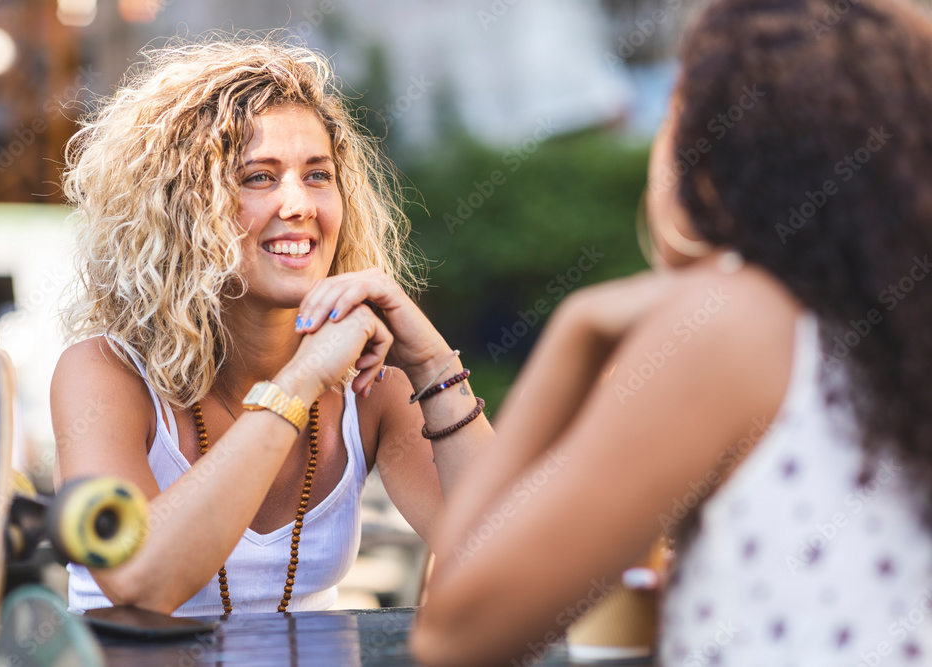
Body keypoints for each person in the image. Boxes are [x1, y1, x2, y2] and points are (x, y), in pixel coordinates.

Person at [411, 0, 932, 664]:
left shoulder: (727, 328)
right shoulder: (896, 320)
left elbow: (453, 635)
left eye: (672, 114)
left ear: (711, 154)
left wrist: (575, 332)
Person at [51, 36, 491, 616]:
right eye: (258, 177)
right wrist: (302, 378)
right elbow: (141, 580)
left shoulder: (375, 385)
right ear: (182, 209)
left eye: (318, 175)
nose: (299, 205)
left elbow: (507, 559)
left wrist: (433, 364)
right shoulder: (104, 373)